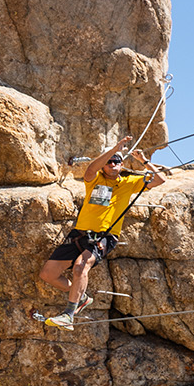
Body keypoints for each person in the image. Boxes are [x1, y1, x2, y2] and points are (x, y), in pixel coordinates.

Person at [36, 139, 170, 329]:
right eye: (110, 161)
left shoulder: (129, 183)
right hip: (79, 233)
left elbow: (160, 180)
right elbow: (91, 169)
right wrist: (114, 150)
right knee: (48, 274)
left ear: (122, 164)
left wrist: (144, 160)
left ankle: (69, 314)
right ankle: (81, 297)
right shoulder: (95, 179)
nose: (113, 164)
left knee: (80, 267)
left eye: (117, 161)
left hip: (104, 236)